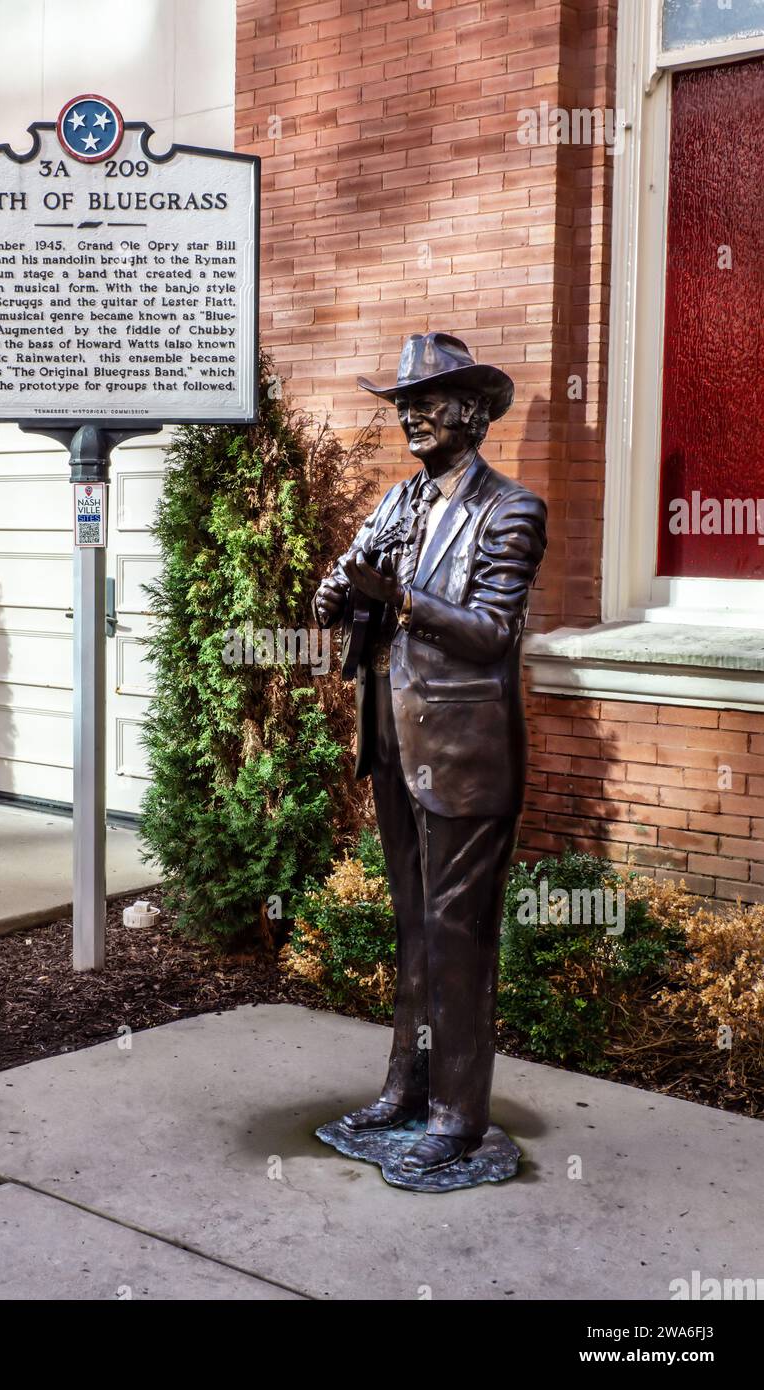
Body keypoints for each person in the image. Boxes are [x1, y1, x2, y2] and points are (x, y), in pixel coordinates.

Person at [314, 332, 547, 1175]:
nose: (411, 413)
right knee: (412, 926)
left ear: (474, 414)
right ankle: (404, 1092)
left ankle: (457, 1115)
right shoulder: (396, 503)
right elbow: (335, 593)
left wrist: (403, 599)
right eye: (402, 401)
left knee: (459, 934)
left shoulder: (511, 510)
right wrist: (338, 593)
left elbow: (489, 633)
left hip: (464, 754)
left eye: (431, 398)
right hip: (389, 741)